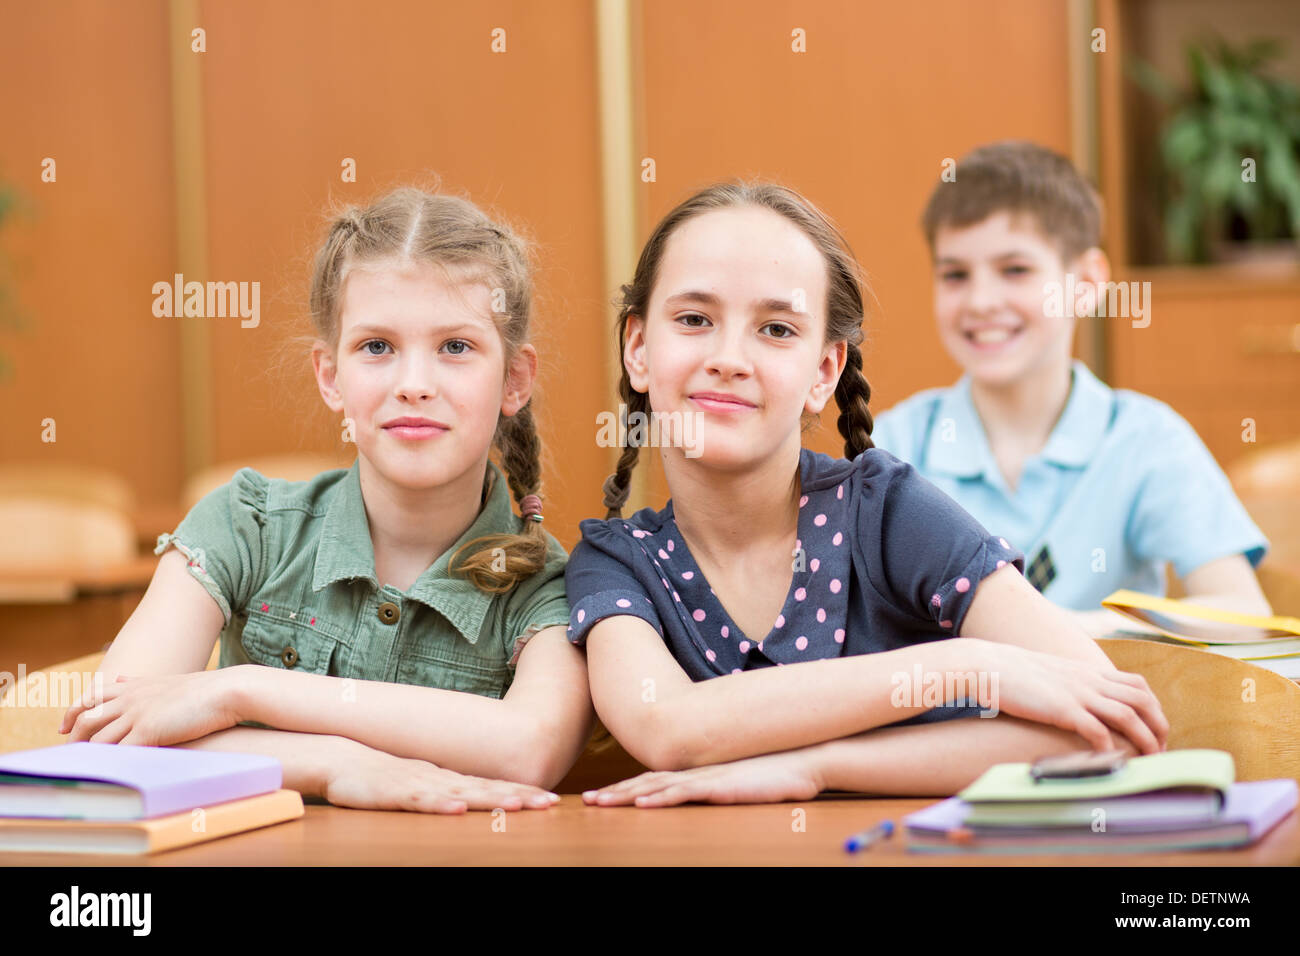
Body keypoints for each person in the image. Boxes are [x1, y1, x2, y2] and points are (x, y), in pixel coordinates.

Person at [565, 181, 1167, 808]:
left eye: (775, 328)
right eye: (694, 319)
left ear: (824, 372)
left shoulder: (888, 512)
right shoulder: (615, 562)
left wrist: (820, 766)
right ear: (637, 348)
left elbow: (1106, 725)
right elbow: (667, 725)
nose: (729, 358)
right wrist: (960, 667)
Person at [60, 186, 594, 814]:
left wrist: (240, 692)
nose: (414, 385)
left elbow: (529, 748)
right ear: (330, 376)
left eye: (455, 347)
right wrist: (332, 763)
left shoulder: (549, 585)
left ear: (514, 379)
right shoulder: (246, 525)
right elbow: (100, 743)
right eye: (377, 347)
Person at [872, 141, 1270, 637]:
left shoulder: (1146, 439)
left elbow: (1245, 617)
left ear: (1086, 282)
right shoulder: (896, 444)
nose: (980, 300)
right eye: (955, 275)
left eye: (1015, 270)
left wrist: (1055, 630)